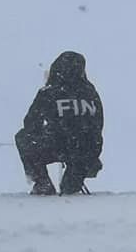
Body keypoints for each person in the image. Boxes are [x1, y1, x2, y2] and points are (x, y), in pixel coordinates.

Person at [17, 51, 104, 195]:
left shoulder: (49, 92)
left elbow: (30, 123)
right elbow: (99, 124)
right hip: (87, 150)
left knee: (23, 137)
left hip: (58, 145)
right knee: (70, 189)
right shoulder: (91, 92)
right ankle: (74, 182)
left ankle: (43, 183)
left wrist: (46, 133)